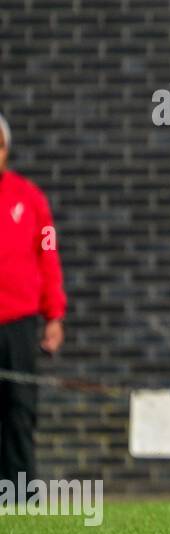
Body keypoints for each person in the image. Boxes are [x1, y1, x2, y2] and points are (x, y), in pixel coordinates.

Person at [0, 113, 67, 489]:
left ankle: (20, 495)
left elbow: (48, 255)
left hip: (19, 323)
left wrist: (54, 315)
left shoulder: (30, 199)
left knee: (20, 409)